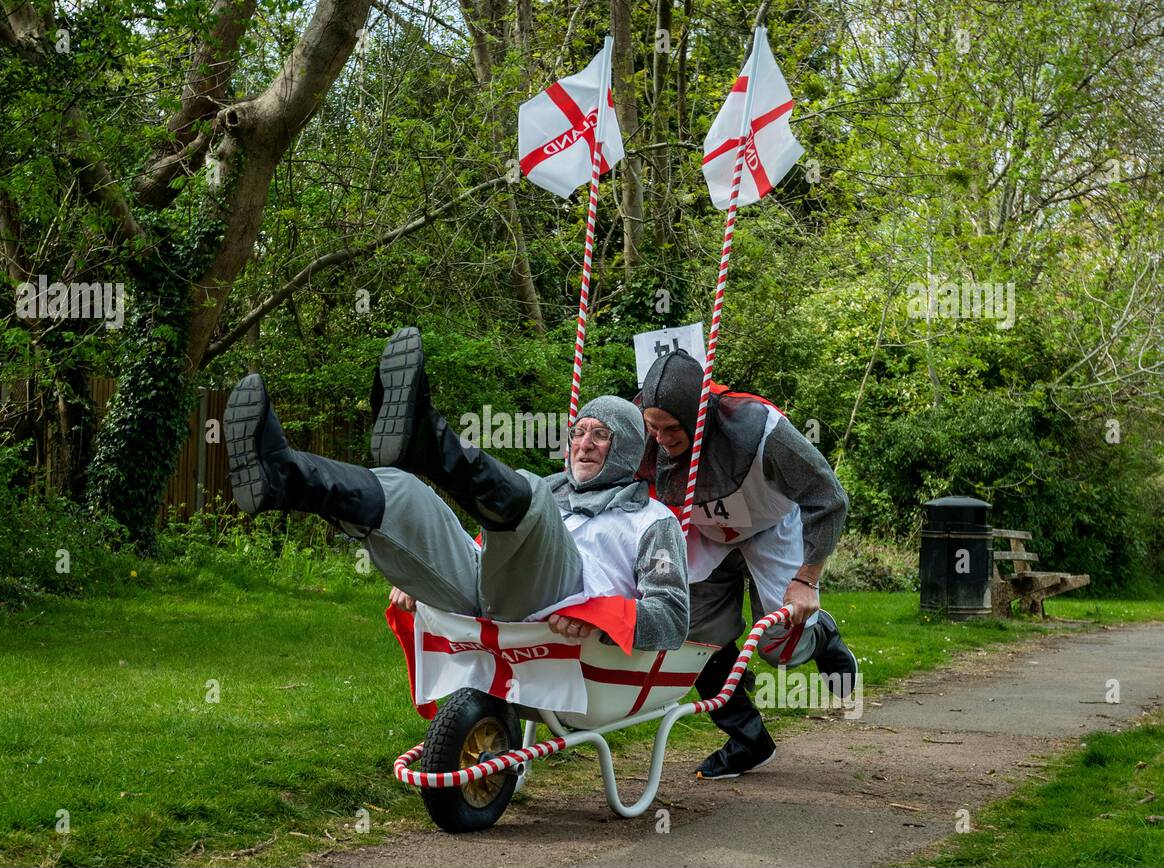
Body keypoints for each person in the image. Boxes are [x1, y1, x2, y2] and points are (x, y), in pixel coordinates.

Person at [224, 327, 688, 651]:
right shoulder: (551, 494)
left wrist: (599, 619)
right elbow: (486, 553)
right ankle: (282, 477)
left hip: (565, 614)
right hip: (494, 599)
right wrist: (417, 575)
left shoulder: (652, 520)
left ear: (626, 449)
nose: (583, 444)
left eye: (601, 434)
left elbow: (671, 615)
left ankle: (426, 438)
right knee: (403, 493)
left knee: (533, 499)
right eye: (579, 431)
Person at [637, 348, 857, 779]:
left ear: (697, 414)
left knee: (781, 649)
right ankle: (748, 738)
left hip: (770, 524)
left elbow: (829, 498)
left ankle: (822, 636)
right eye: (653, 427)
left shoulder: (761, 429)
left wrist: (806, 581)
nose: (660, 438)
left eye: (672, 428)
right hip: (704, 532)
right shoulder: (638, 428)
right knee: (690, 635)